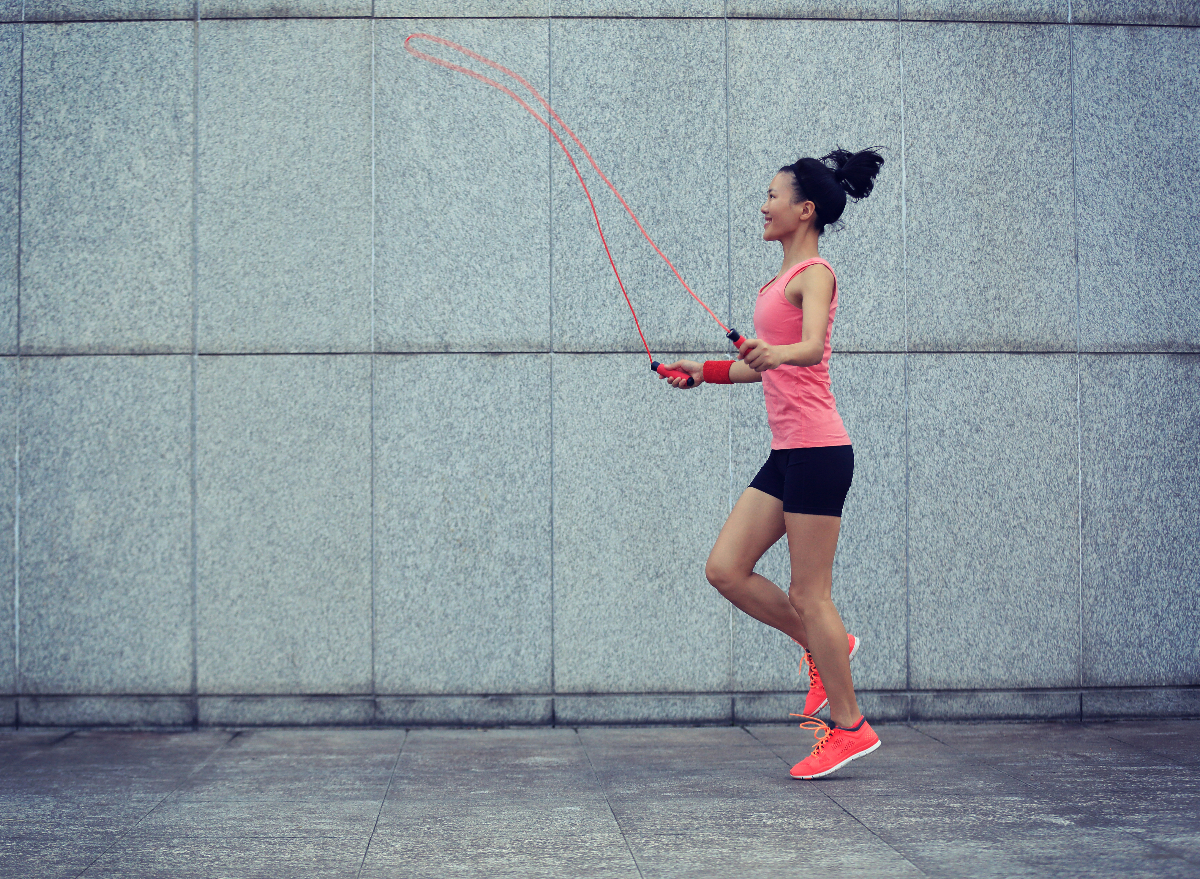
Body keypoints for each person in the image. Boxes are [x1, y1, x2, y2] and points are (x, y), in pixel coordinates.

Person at [658, 148, 885, 779]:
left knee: (809, 592)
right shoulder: (772, 283)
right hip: (787, 453)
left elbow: (809, 350)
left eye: (773, 195)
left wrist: (774, 352)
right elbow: (757, 363)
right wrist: (698, 372)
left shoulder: (816, 272)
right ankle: (826, 646)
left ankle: (849, 727)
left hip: (818, 451)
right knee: (726, 569)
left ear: (804, 209)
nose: (763, 204)